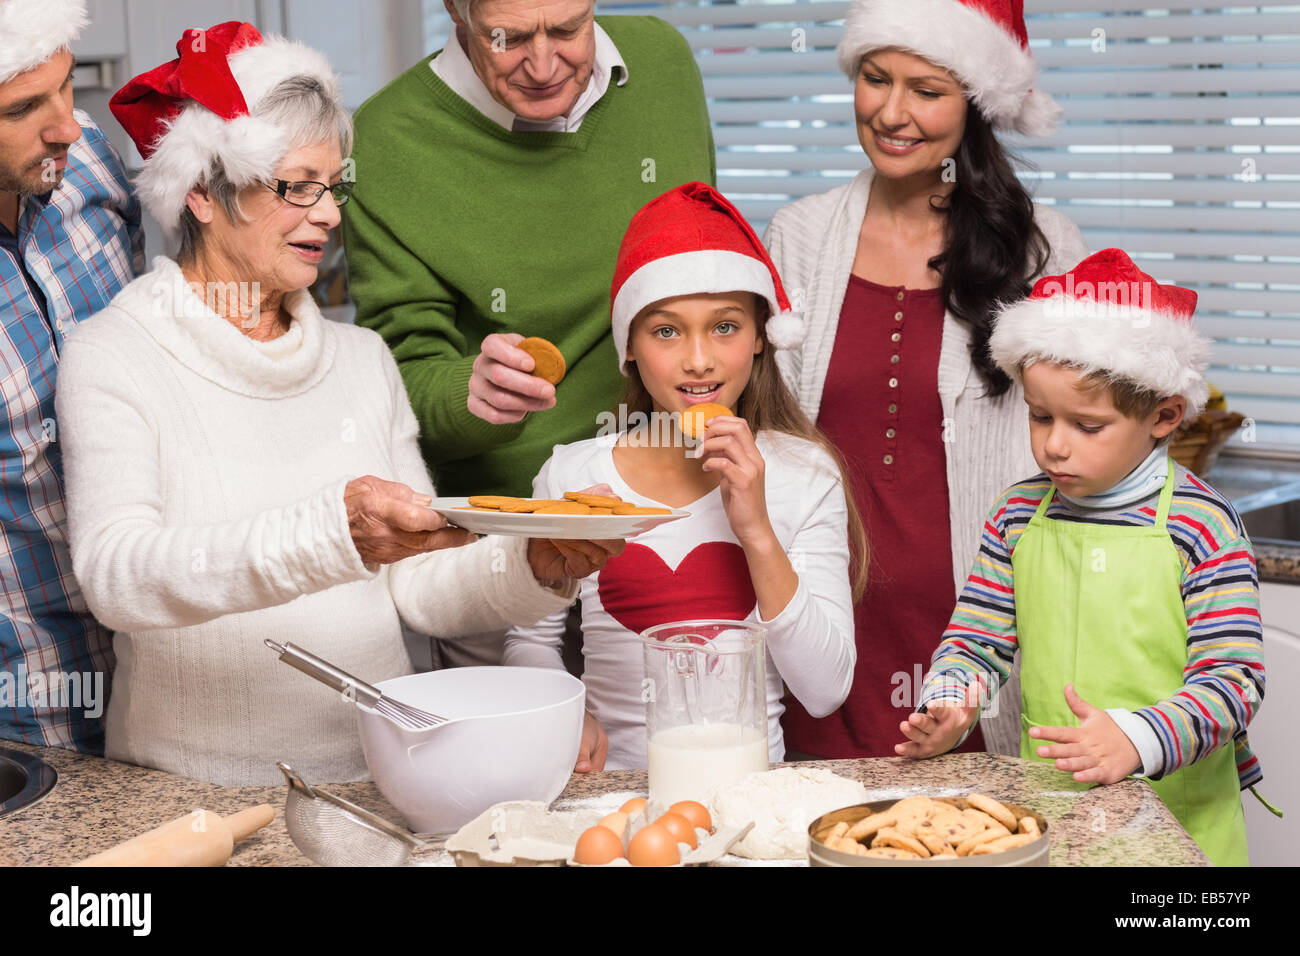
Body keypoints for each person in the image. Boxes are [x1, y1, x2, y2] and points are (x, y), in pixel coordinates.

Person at [54, 22, 621, 786]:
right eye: (295, 186)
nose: (327, 214)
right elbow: (117, 575)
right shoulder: (116, 354)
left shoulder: (363, 361)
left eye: (334, 186)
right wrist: (331, 532)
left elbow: (418, 583)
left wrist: (530, 567)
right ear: (201, 193)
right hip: (188, 794)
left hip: (374, 781)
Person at [343, 0, 715, 668]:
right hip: (501, 555)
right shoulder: (384, 142)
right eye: (508, 38)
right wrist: (469, 392)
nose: (544, 66)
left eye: (568, 29)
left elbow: (699, 267)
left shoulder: (663, 64)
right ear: (456, 11)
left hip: (675, 517)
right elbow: (396, 382)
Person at [763, 0, 1090, 759]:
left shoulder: (1045, 253)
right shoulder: (799, 235)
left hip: (976, 644)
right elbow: (767, 435)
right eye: (875, 79)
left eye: (927, 90)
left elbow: (1091, 446)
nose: (891, 111)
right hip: (828, 635)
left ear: (976, 105)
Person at [898, 249, 1266, 867]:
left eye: (1087, 426)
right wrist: (951, 701)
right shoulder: (1018, 514)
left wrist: (1135, 737)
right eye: (1040, 417)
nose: (1054, 446)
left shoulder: (1201, 526)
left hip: (1180, 819)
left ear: (1164, 415)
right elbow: (976, 638)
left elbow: (1234, 681)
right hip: (1051, 811)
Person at [504, 182, 865, 771]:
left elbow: (825, 692)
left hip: (750, 795)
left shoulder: (803, 474)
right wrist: (562, 710)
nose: (699, 360)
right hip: (611, 799)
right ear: (630, 348)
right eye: (666, 331)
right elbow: (530, 643)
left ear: (758, 341)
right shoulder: (572, 473)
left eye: (724, 326)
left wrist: (756, 530)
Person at [0, 0, 143, 753]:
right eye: (23, 107)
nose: (66, 124)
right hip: (29, 703)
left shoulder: (85, 162)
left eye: (68, 84)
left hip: (164, 661)